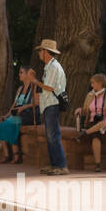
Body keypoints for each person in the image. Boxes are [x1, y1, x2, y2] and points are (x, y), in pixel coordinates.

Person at [33, 39, 68, 175]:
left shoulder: (53, 67)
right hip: (48, 104)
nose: (39, 53)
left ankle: (61, 166)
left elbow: (49, 87)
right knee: (50, 136)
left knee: (53, 135)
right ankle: (55, 165)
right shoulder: (49, 66)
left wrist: (34, 81)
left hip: (52, 104)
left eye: (40, 50)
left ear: (46, 52)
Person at [75, 73, 106, 172]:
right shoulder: (90, 95)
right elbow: (86, 110)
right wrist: (80, 109)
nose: (92, 85)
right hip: (93, 122)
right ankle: (98, 164)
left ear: (100, 83)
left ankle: (85, 133)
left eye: (93, 83)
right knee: (96, 136)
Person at [0, 67, 37, 165]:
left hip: (26, 115)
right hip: (17, 115)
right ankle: (7, 155)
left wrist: (23, 107)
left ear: (27, 75)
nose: (19, 75)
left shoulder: (34, 88)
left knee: (9, 125)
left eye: (21, 73)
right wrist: (7, 115)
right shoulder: (20, 89)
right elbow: (14, 104)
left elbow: (37, 103)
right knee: (1, 126)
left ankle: (16, 155)